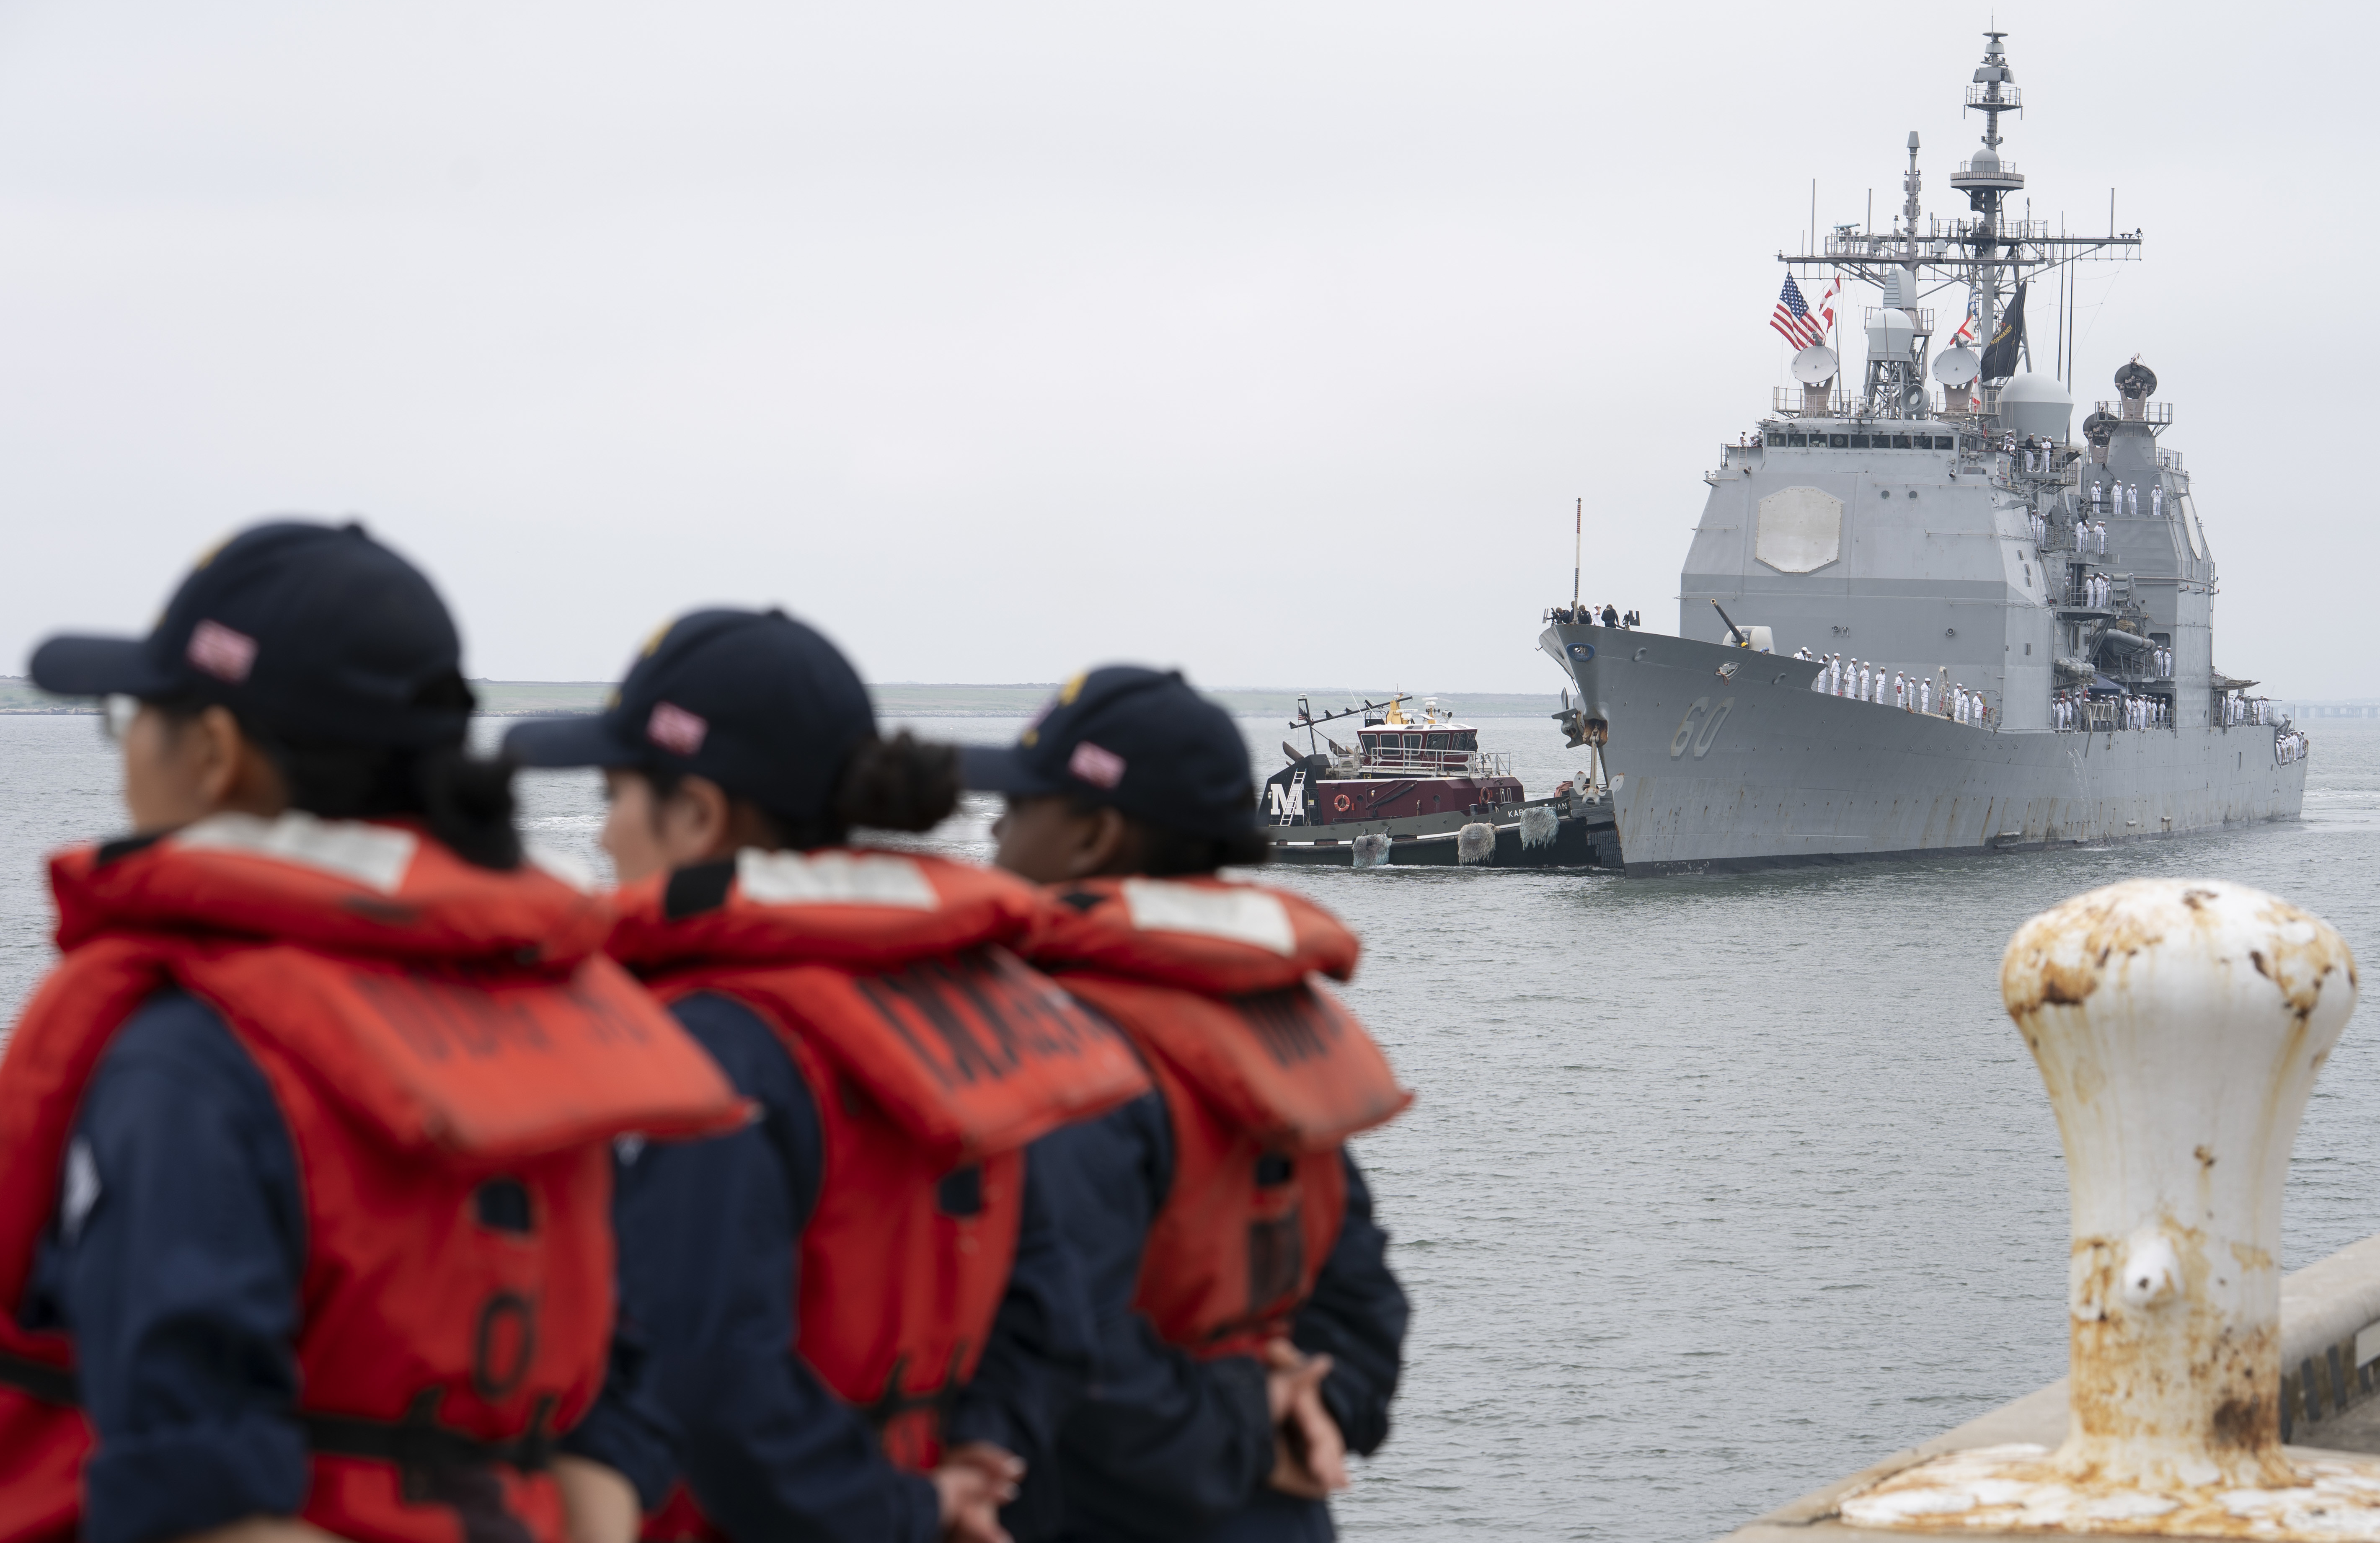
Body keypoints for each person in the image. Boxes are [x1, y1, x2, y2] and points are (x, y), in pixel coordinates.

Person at [0, 521, 749, 1543]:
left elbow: (192, 1493)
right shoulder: (553, 1028)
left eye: (134, 714)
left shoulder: (195, 1056)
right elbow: (609, 1412)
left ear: (215, 754)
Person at [504, 611, 1152, 1543]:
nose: (603, 834)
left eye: (616, 792)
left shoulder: (716, 1045)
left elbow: (711, 1379)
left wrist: (909, 1508)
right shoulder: (970, 1009)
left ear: (696, 814)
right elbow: (1053, 1302)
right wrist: (975, 1460)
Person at [969, 668, 1412, 1543]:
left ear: (1091, 834)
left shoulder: (1068, 1052)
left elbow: (1074, 1352)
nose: (993, 831)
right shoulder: (1276, 1031)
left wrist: (1245, 1431)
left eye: (1017, 809)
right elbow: (1366, 1310)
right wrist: (1300, 1417)